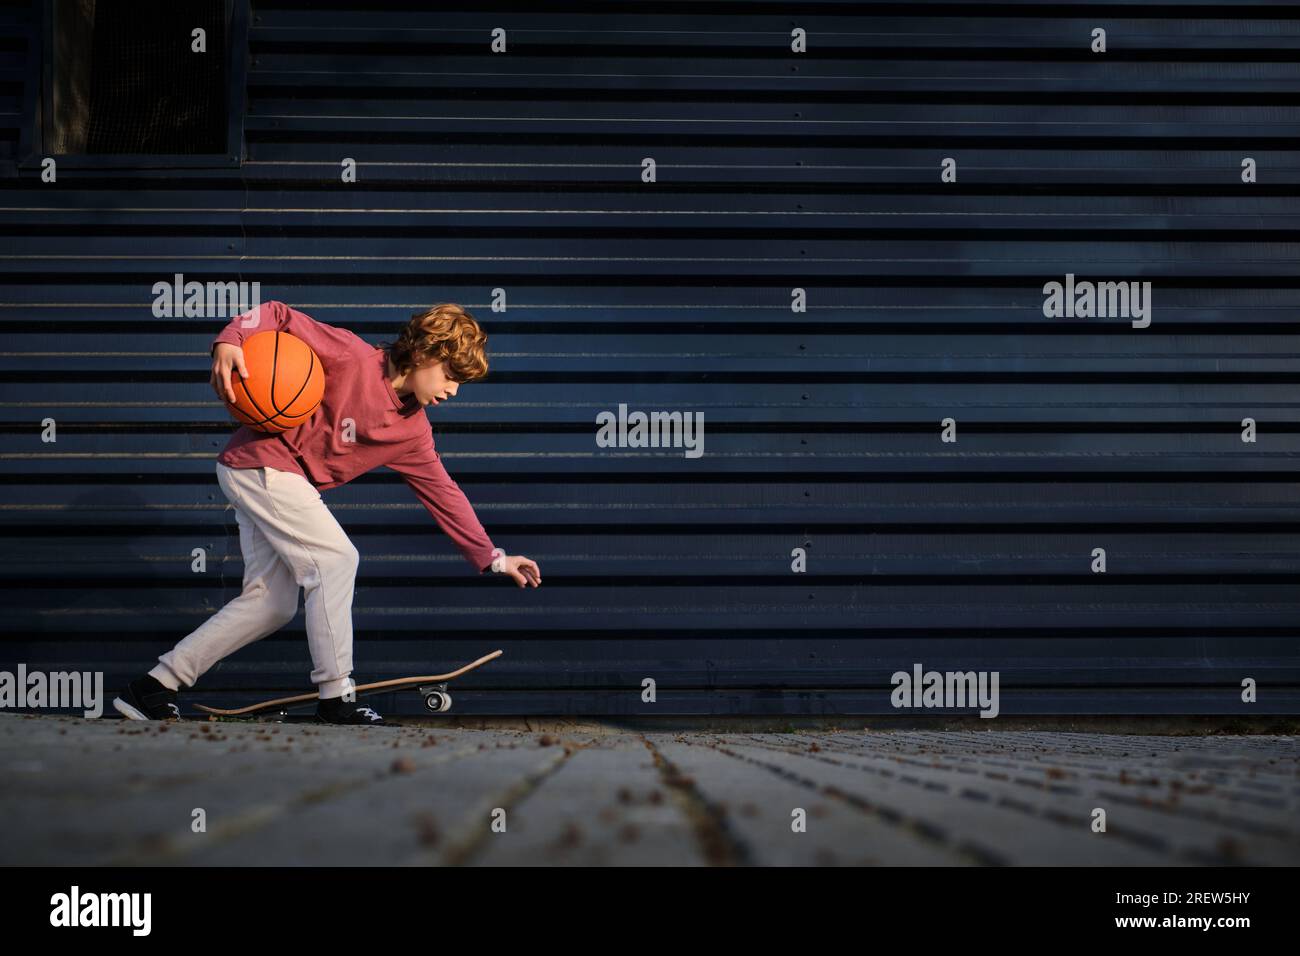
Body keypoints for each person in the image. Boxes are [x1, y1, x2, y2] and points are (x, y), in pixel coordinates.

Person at [112, 300, 540, 725]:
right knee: (337, 560)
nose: (453, 390)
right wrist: (229, 340)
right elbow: (278, 313)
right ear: (426, 354)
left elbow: (443, 492)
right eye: (449, 376)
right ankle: (336, 694)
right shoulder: (353, 356)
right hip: (261, 463)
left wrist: (493, 556)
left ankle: (153, 687)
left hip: (270, 479)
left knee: (270, 606)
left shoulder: (412, 431)